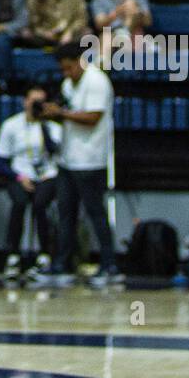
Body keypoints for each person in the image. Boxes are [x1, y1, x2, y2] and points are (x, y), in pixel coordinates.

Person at [39, 44, 121, 287]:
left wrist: (62, 113)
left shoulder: (97, 81)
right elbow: (69, 116)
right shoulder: (67, 85)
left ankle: (109, 264)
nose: (66, 73)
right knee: (66, 214)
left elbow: (93, 117)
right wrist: (52, 114)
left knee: (96, 213)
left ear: (78, 61)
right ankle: (63, 263)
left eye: (68, 68)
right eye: (62, 69)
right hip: (68, 159)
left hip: (91, 160)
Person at [0, 87, 61, 275]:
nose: (37, 106)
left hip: (47, 174)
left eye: (41, 102)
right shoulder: (11, 125)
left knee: (41, 204)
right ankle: (13, 254)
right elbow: (0, 161)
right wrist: (19, 177)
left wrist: (43, 125)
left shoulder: (53, 127)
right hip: (20, 174)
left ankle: (44, 254)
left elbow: (55, 150)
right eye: (34, 101)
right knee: (20, 202)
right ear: (25, 102)